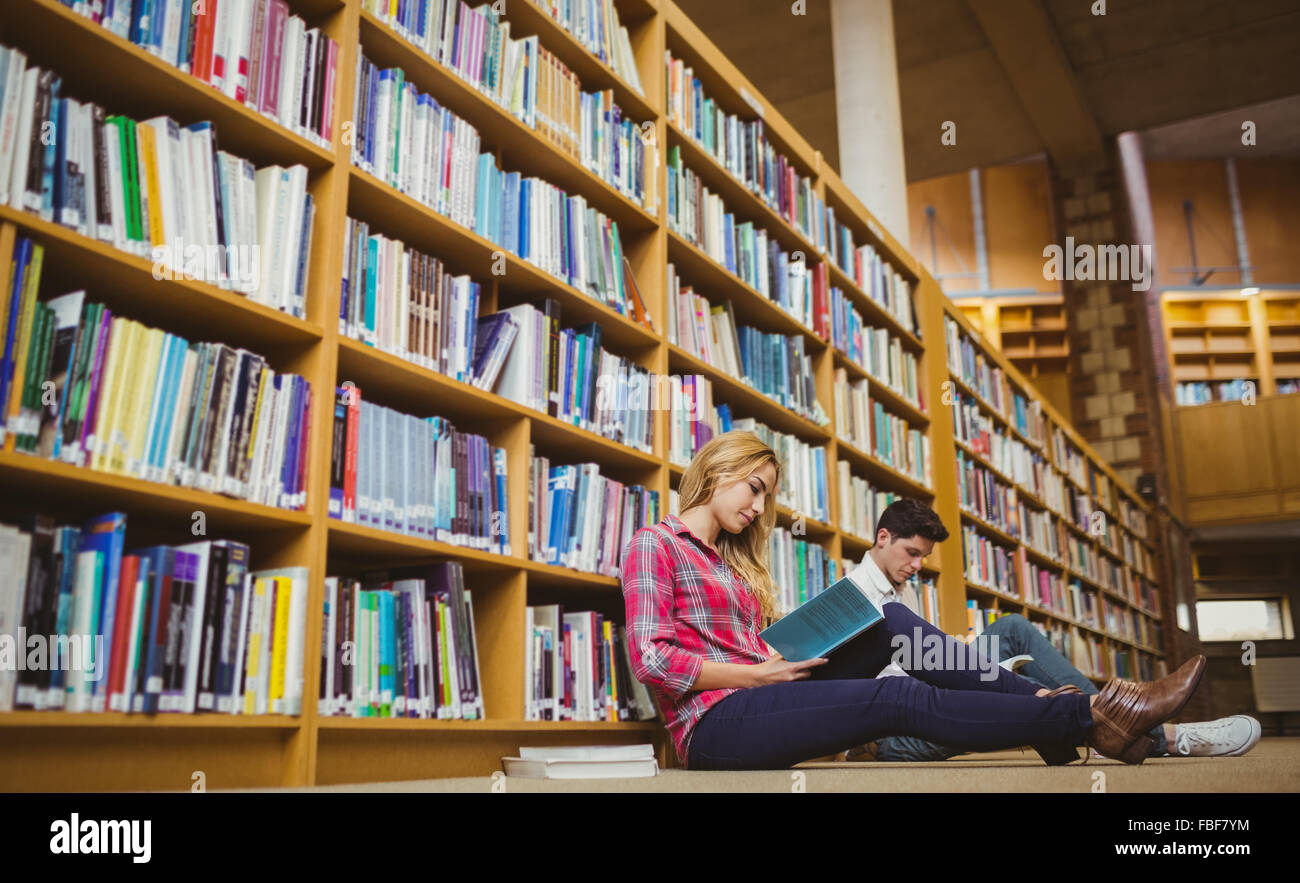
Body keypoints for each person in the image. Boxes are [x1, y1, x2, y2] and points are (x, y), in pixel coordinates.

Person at [620, 430, 1206, 771]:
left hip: (765, 683)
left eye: (766, 495)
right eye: (755, 488)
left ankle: (1053, 704)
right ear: (720, 469)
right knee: (897, 695)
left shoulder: (730, 560)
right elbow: (651, 658)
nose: (758, 506)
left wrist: (778, 654)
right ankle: (1085, 716)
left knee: (891, 620)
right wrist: (753, 675)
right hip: (715, 722)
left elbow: (747, 645)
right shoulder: (655, 544)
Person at [836, 500, 1262, 762]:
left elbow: (925, 658)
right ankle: (1162, 735)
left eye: (923, 558)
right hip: (893, 732)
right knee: (1004, 686)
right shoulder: (853, 597)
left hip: (931, 691)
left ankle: (1115, 723)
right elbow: (867, 685)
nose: (916, 566)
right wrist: (965, 669)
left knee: (1013, 629)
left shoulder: (902, 588)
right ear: (882, 537)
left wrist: (961, 656)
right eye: (911, 553)